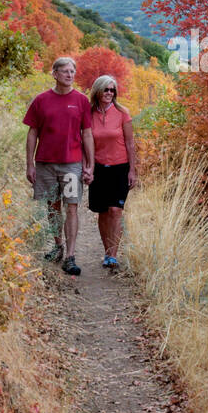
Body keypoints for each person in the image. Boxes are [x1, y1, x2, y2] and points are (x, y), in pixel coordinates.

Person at [24, 57, 94, 276]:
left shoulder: (81, 101)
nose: (70, 75)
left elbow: (87, 133)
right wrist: (30, 164)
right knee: (52, 207)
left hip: (72, 165)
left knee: (71, 206)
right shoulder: (41, 100)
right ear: (54, 73)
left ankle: (70, 257)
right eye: (64, 71)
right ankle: (57, 246)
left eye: (72, 71)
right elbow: (32, 132)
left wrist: (90, 165)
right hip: (45, 164)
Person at [87, 75, 137, 270]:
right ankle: (107, 251)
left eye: (112, 90)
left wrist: (132, 170)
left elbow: (130, 143)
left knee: (116, 210)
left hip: (120, 167)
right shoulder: (89, 114)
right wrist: (87, 167)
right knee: (103, 212)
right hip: (99, 168)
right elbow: (85, 141)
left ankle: (113, 256)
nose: (109, 93)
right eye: (106, 90)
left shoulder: (122, 112)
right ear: (97, 91)